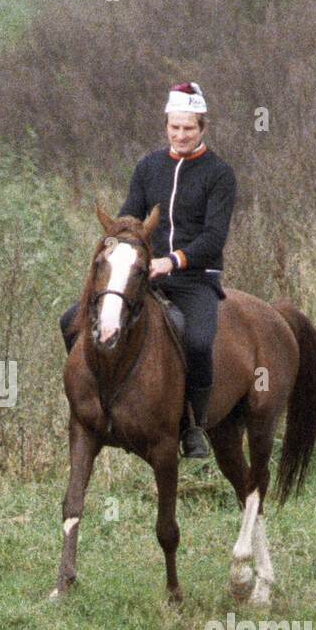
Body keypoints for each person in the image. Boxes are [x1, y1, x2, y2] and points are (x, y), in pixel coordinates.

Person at [59, 82, 235, 458]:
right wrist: (117, 249)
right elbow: (129, 219)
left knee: (200, 342)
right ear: (167, 125)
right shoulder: (148, 166)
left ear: (203, 128)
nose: (181, 135)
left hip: (193, 280)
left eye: (189, 128)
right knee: (70, 320)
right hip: (142, 277)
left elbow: (213, 238)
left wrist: (172, 261)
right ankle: (91, 403)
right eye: (175, 127)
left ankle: (193, 427)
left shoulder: (219, 174)